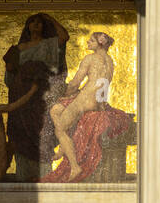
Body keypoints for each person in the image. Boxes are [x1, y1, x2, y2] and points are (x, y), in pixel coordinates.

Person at [42, 32, 134, 183]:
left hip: (84, 100)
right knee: (56, 110)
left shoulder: (90, 58)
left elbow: (75, 83)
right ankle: (63, 149)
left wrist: (65, 94)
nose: (88, 42)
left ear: (100, 43)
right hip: (98, 101)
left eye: (91, 40)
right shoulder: (110, 61)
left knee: (60, 128)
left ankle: (74, 166)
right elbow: (98, 84)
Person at [2, 13, 69, 180]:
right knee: (21, 133)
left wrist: (51, 19)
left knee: (42, 130)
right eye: (32, 22)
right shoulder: (17, 49)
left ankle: (44, 176)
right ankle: (23, 176)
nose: (36, 25)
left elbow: (64, 37)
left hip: (41, 94)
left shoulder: (49, 45)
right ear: (28, 26)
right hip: (20, 94)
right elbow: (9, 74)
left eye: (39, 22)